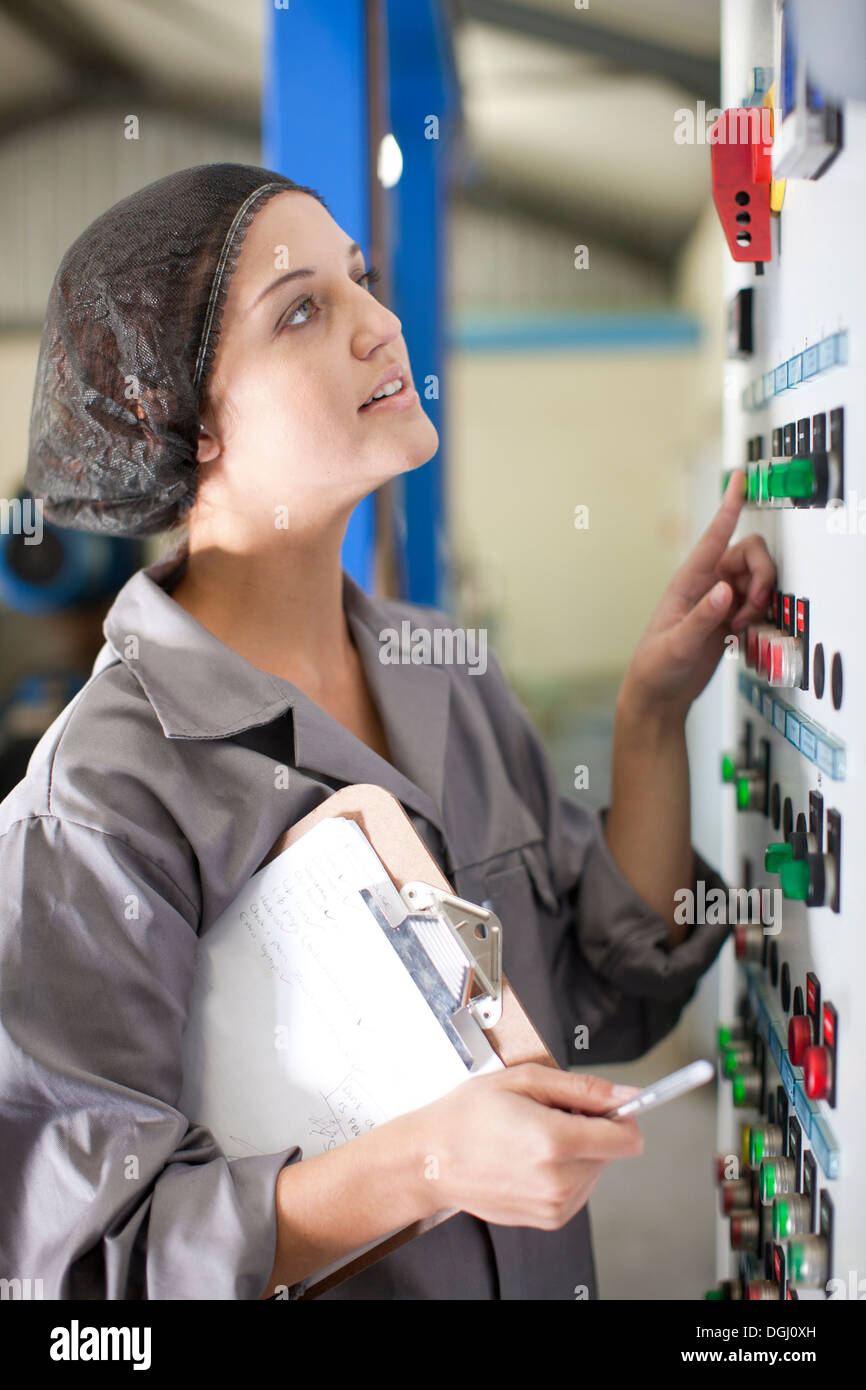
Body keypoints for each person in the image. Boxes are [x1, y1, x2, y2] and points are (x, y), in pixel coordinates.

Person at [1, 164, 775, 1301]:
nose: (380, 325)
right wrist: (423, 1163)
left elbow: (603, 995)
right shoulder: (101, 800)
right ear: (177, 417)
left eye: (358, 280)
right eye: (302, 309)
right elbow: (83, 1276)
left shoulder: (442, 672)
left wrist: (650, 713)